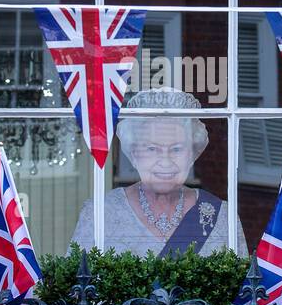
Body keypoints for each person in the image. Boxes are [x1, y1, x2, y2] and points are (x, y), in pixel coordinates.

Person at [71, 89, 243, 256]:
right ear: (134, 153)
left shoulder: (222, 217)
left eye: (176, 149)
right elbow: (75, 283)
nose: (165, 161)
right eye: (152, 148)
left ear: (192, 155)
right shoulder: (100, 213)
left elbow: (248, 283)